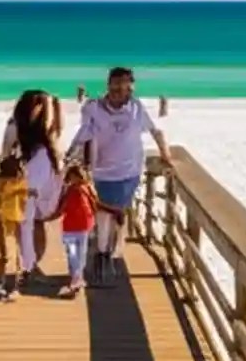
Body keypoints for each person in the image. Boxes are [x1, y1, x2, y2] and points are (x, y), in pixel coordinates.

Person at [66, 67, 174, 267]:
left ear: (131, 87)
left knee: (118, 214)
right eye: (115, 84)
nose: (119, 89)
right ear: (108, 85)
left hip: (129, 173)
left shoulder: (137, 108)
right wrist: (69, 156)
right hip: (100, 173)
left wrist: (165, 155)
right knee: (103, 215)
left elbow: (155, 131)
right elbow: (83, 134)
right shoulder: (94, 107)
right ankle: (102, 256)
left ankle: (112, 251)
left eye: (125, 85)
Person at [0, 89, 64, 286]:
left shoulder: (43, 130)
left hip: (45, 186)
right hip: (25, 185)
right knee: (26, 226)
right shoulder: (15, 127)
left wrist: (56, 105)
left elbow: (57, 131)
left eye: (42, 106)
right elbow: (5, 153)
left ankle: (31, 267)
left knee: (34, 226)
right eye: (38, 105)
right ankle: (29, 268)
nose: (40, 110)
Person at [39, 163, 124, 297]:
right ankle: (76, 280)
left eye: (75, 176)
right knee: (77, 255)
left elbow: (63, 209)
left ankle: (76, 280)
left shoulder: (78, 189)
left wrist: (46, 219)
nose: (75, 178)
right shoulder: (79, 189)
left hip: (77, 226)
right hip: (78, 226)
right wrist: (114, 210)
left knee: (76, 255)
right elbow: (94, 204)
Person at [0, 156, 34, 300]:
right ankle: (7, 285)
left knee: (9, 253)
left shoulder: (15, 183)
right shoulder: (16, 182)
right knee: (8, 253)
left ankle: (8, 284)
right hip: (9, 218)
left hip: (12, 218)